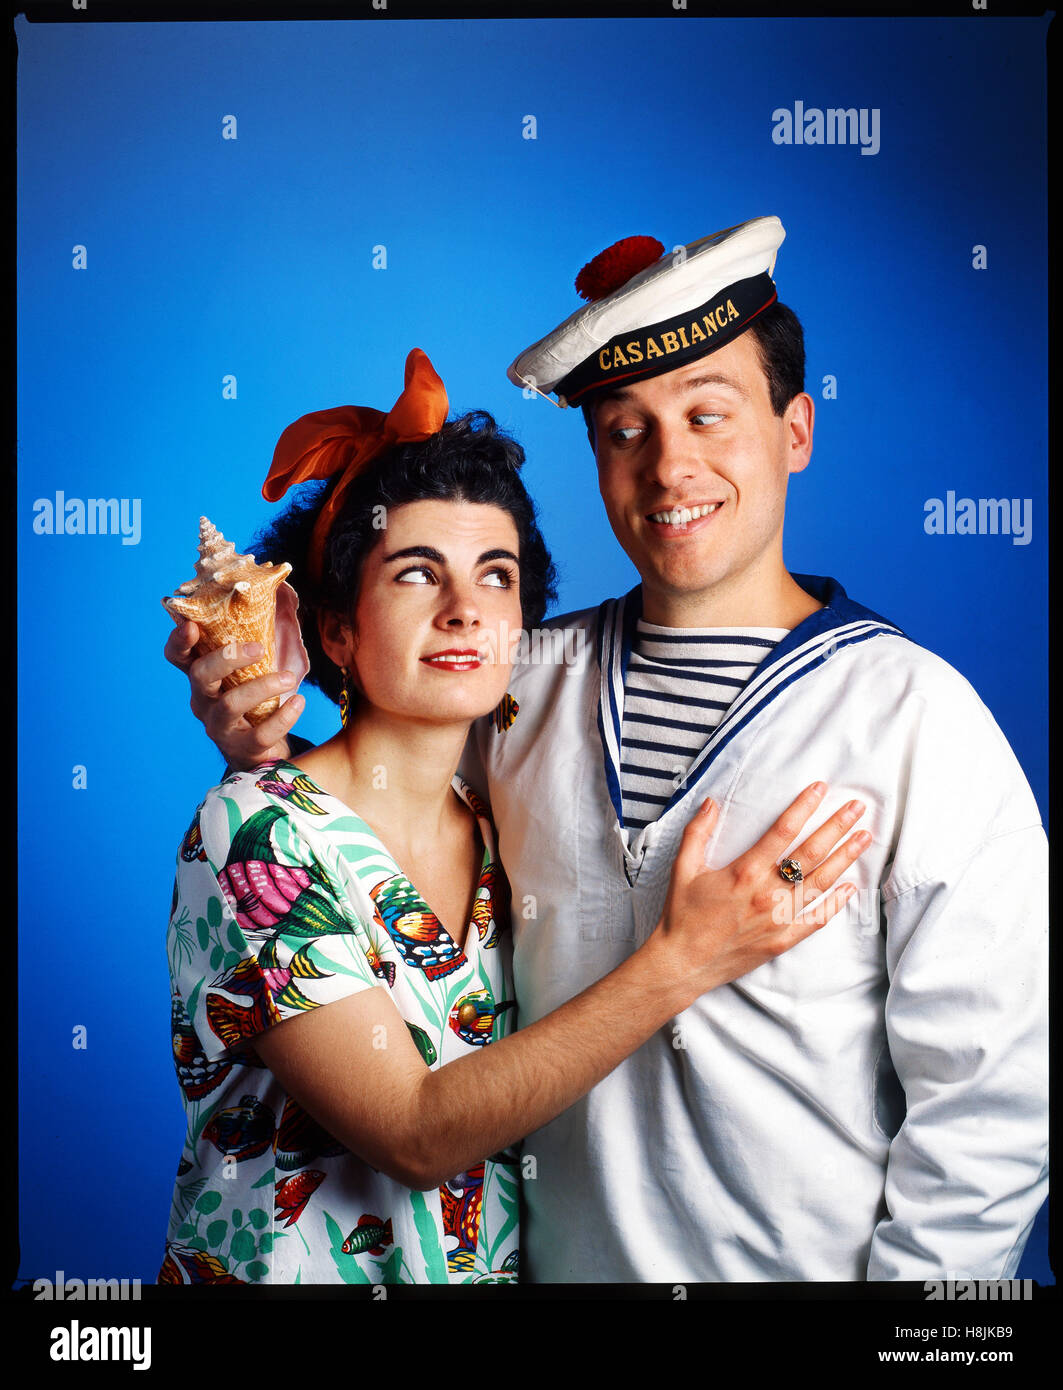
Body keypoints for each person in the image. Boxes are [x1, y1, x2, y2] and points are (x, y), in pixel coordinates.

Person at [171, 219, 1047, 1283]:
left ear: (796, 428)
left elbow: (990, 1108)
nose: (669, 465)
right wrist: (260, 729)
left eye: (708, 415)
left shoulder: (916, 720)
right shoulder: (516, 683)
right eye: (624, 430)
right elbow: (350, 828)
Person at [161, 347, 870, 1285]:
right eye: (416, 573)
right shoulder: (254, 832)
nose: (465, 610)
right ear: (336, 628)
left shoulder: (499, 824)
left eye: (496, 576)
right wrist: (686, 958)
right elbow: (412, 1136)